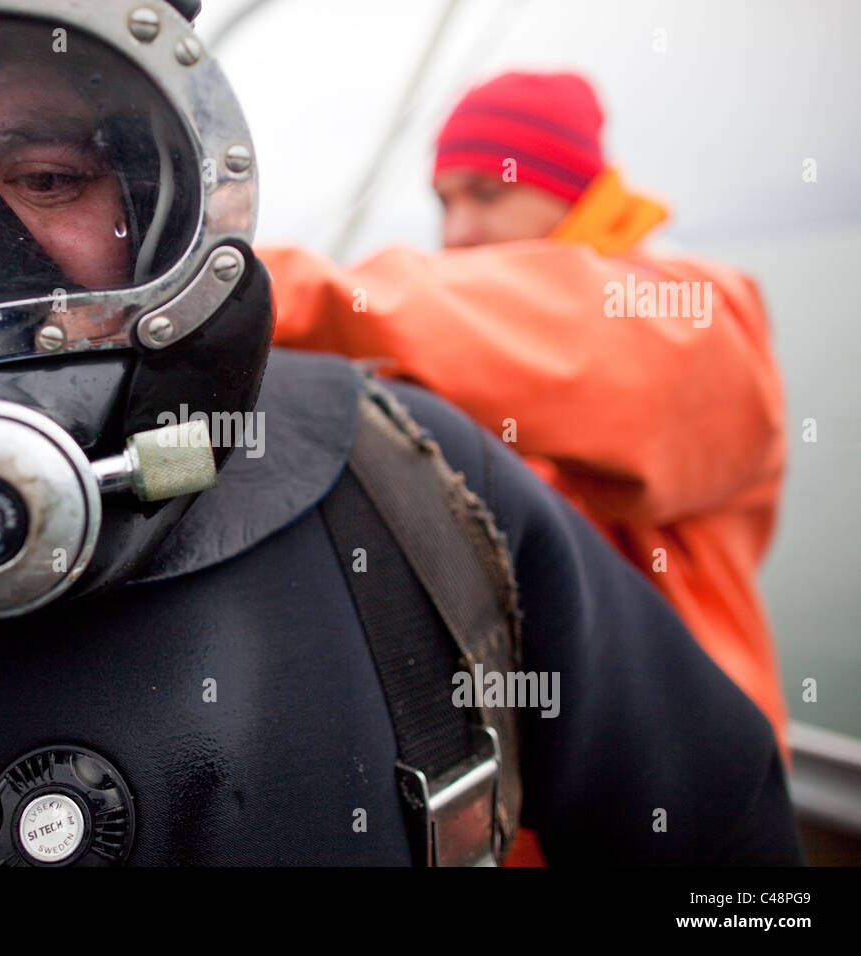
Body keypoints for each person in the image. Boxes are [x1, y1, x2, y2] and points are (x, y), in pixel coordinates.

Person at [0, 0, 797, 866]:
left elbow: (717, 829)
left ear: (155, 208)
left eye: (48, 178)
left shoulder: (425, 456)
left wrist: (232, 290)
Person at [258, 71, 790, 753]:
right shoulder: (480, 361)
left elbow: (558, 320)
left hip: (696, 790)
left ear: (576, 191)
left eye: (489, 193)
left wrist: (244, 295)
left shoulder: (695, 319)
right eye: (444, 201)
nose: (459, 231)